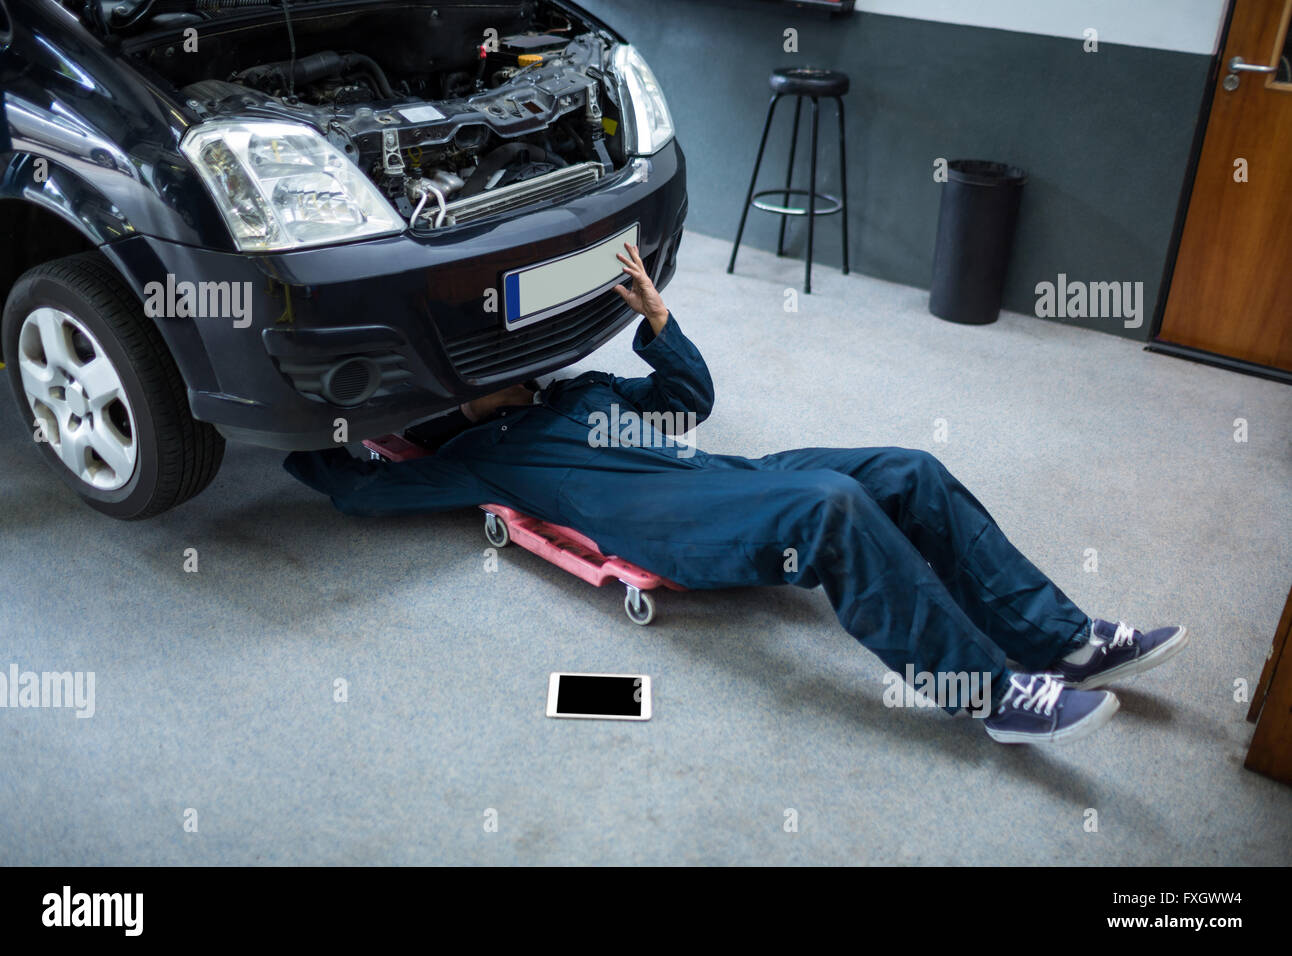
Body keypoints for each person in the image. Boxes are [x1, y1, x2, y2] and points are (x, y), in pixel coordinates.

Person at [285, 243, 1188, 744]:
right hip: (685, 528)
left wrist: (657, 320)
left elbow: (689, 404)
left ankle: (1064, 639)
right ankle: (993, 696)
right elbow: (364, 495)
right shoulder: (481, 452)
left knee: (907, 466)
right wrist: (290, 433)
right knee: (832, 502)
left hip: (728, 479)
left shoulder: (580, 393)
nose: (507, 369)